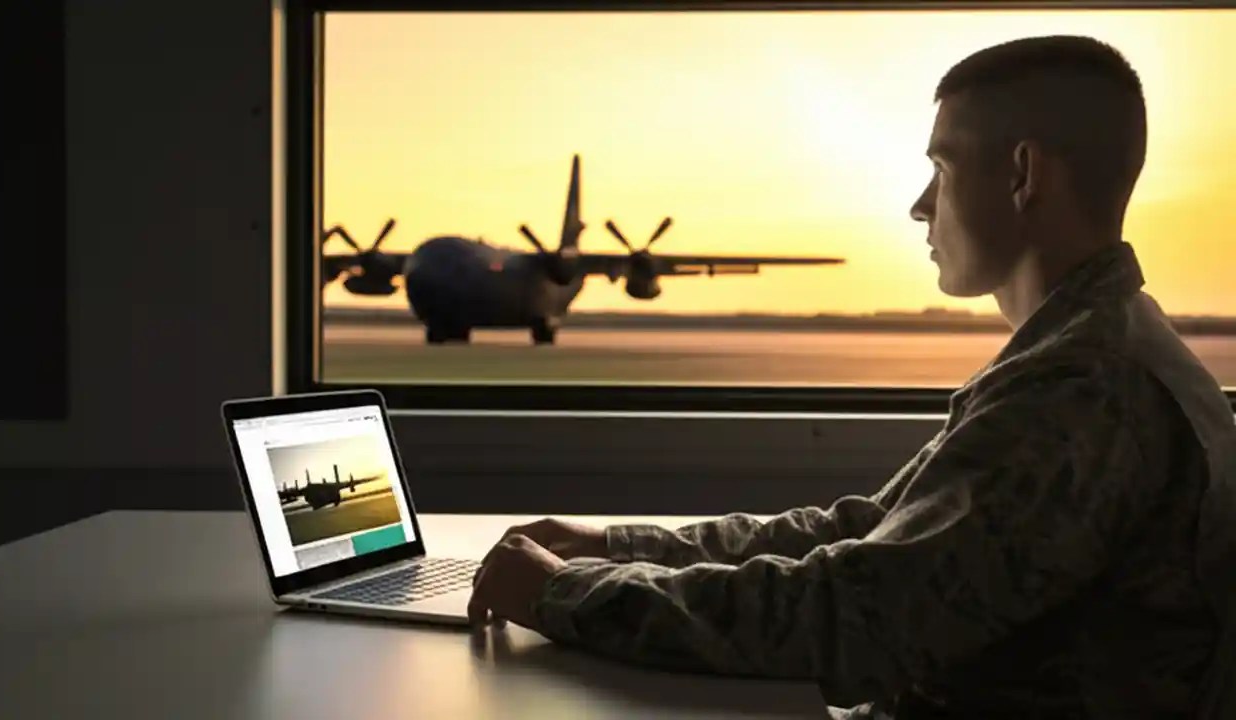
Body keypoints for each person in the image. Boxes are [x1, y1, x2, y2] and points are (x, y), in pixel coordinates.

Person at [467, 35, 1235, 719]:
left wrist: (558, 592)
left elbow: (847, 619)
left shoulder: (1080, 389)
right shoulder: (1091, 347)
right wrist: (615, 544)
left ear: (1023, 174)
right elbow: (869, 530)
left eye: (941, 168)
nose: (920, 206)